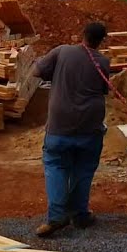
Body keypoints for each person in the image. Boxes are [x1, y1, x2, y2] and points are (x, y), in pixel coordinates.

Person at [31, 22, 111, 237]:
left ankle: (57, 217)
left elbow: (37, 71)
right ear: (102, 40)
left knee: (55, 166)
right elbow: (104, 89)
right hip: (90, 126)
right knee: (83, 170)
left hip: (60, 125)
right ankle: (80, 215)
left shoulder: (62, 51)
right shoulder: (103, 61)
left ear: (81, 35)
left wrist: (37, 61)